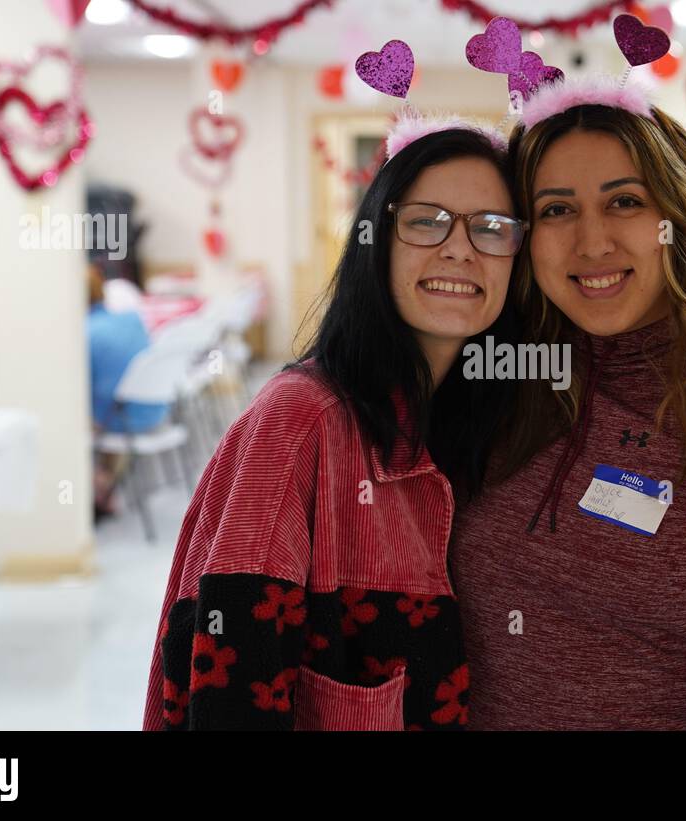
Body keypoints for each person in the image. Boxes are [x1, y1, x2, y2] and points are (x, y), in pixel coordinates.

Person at [448, 79, 686, 729]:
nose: (592, 242)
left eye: (624, 202)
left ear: (678, 216)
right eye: (556, 210)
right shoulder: (497, 372)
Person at [141, 127, 522, 730]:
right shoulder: (299, 420)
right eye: (426, 221)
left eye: (492, 228)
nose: (460, 249)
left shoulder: (492, 427)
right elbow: (230, 695)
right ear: (374, 240)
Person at [86, 265, 167, 518]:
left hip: (123, 421)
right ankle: (104, 484)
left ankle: (96, 484)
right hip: (158, 408)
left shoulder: (84, 333)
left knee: (54, 417)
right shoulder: (132, 319)